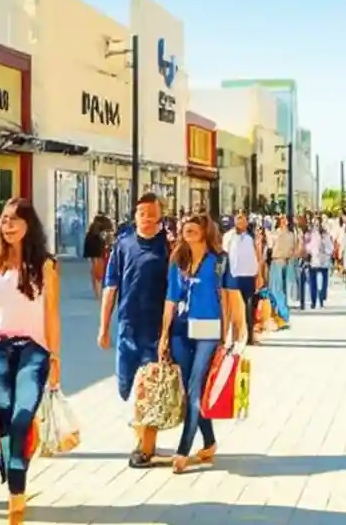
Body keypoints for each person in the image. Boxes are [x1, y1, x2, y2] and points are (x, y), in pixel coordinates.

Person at [0, 198, 61, 520]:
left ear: (29, 225)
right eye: (4, 220)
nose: (9, 225)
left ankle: (16, 490)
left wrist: (56, 357)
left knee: (20, 417)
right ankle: (12, 471)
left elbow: (51, 314)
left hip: (34, 351)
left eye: (16, 220)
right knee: (4, 417)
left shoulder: (45, 265)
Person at [158, 215, 248, 473]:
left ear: (205, 230)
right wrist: (164, 334)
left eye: (195, 224)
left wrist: (238, 333)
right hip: (180, 329)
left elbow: (233, 297)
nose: (189, 227)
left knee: (196, 387)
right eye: (185, 225)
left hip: (208, 330)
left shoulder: (219, 261)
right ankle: (208, 442)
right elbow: (170, 300)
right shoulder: (177, 261)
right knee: (189, 390)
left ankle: (183, 450)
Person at [99, 193, 170, 469]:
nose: (148, 218)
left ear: (160, 216)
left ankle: (144, 446)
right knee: (126, 386)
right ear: (136, 215)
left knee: (148, 389)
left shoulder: (168, 247)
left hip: (156, 331)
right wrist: (103, 326)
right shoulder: (123, 245)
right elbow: (110, 287)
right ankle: (143, 438)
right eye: (143, 213)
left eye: (153, 213)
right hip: (128, 329)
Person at [224, 211, 265, 344]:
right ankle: (235, 337)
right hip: (234, 276)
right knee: (235, 309)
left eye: (243, 220)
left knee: (249, 307)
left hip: (249, 276)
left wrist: (259, 275)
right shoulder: (229, 236)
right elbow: (224, 256)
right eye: (238, 219)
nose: (240, 222)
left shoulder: (251, 237)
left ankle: (249, 336)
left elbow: (258, 256)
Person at [268, 215, 300, 307]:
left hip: (288, 261)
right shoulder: (274, 234)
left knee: (286, 285)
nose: (284, 221)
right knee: (277, 285)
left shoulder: (291, 234)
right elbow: (270, 246)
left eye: (285, 219)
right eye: (282, 219)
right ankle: (278, 304)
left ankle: (283, 303)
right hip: (277, 260)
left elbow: (294, 248)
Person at [306, 221, 334, 309]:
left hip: (319, 262)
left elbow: (330, 249)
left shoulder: (322, 236)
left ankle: (318, 300)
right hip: (318, 262)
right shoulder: (317, 235)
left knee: (318, 282)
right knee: (317, 282)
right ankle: (317, 301)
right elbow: (309, 248)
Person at [84, 214, 114, 300]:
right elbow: (109, 242)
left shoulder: (92, 231)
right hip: (101, 252)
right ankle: (100, 293)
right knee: (100, 273)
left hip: (94, 252)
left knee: (95, 273)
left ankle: (97, 293)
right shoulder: (105, 230)